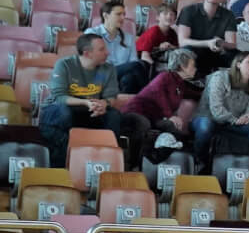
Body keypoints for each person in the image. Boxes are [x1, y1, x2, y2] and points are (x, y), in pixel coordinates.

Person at [40, 32, 123, 163]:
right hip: (59, 109)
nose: (107, 53)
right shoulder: (64, 65)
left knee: (114, 116)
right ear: (87, 53)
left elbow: (111, 97)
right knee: (65, 113)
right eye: (102, 50)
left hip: (90, 111)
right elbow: (59, 96)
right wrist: (85, 102)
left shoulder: (108, 69)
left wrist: (104, 104)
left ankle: (107, 161)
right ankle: (63, 165)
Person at [119, 48, 196, 169]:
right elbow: (159, 95)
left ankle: (151, 158)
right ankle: (131, 165)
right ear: (182, 66)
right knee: (143, 124)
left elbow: (192, 93)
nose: (195, 68)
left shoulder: (180, 83)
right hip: (134, 113)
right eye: (193, 65)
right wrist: (171, 116)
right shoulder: (165, 76)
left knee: (175, 130)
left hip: (152, 117)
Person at [194, 52, 249, 161]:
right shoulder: (220, 77)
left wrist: (247, 117)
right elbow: (216, 109)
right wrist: (234, 120)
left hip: (233, 123)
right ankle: (199, 160)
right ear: (238, 65)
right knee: (205, 126)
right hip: (209, 117)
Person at [178, 0, 240, 74]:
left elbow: (232, 44)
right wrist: (207, 43)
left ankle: (231, 85)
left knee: (240, 57)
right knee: (186, 52)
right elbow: (182, 41)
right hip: (194, 50)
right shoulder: (188, 11)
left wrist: (222, 43)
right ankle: (189, 82)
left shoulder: (229, 15)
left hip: (216, 51)